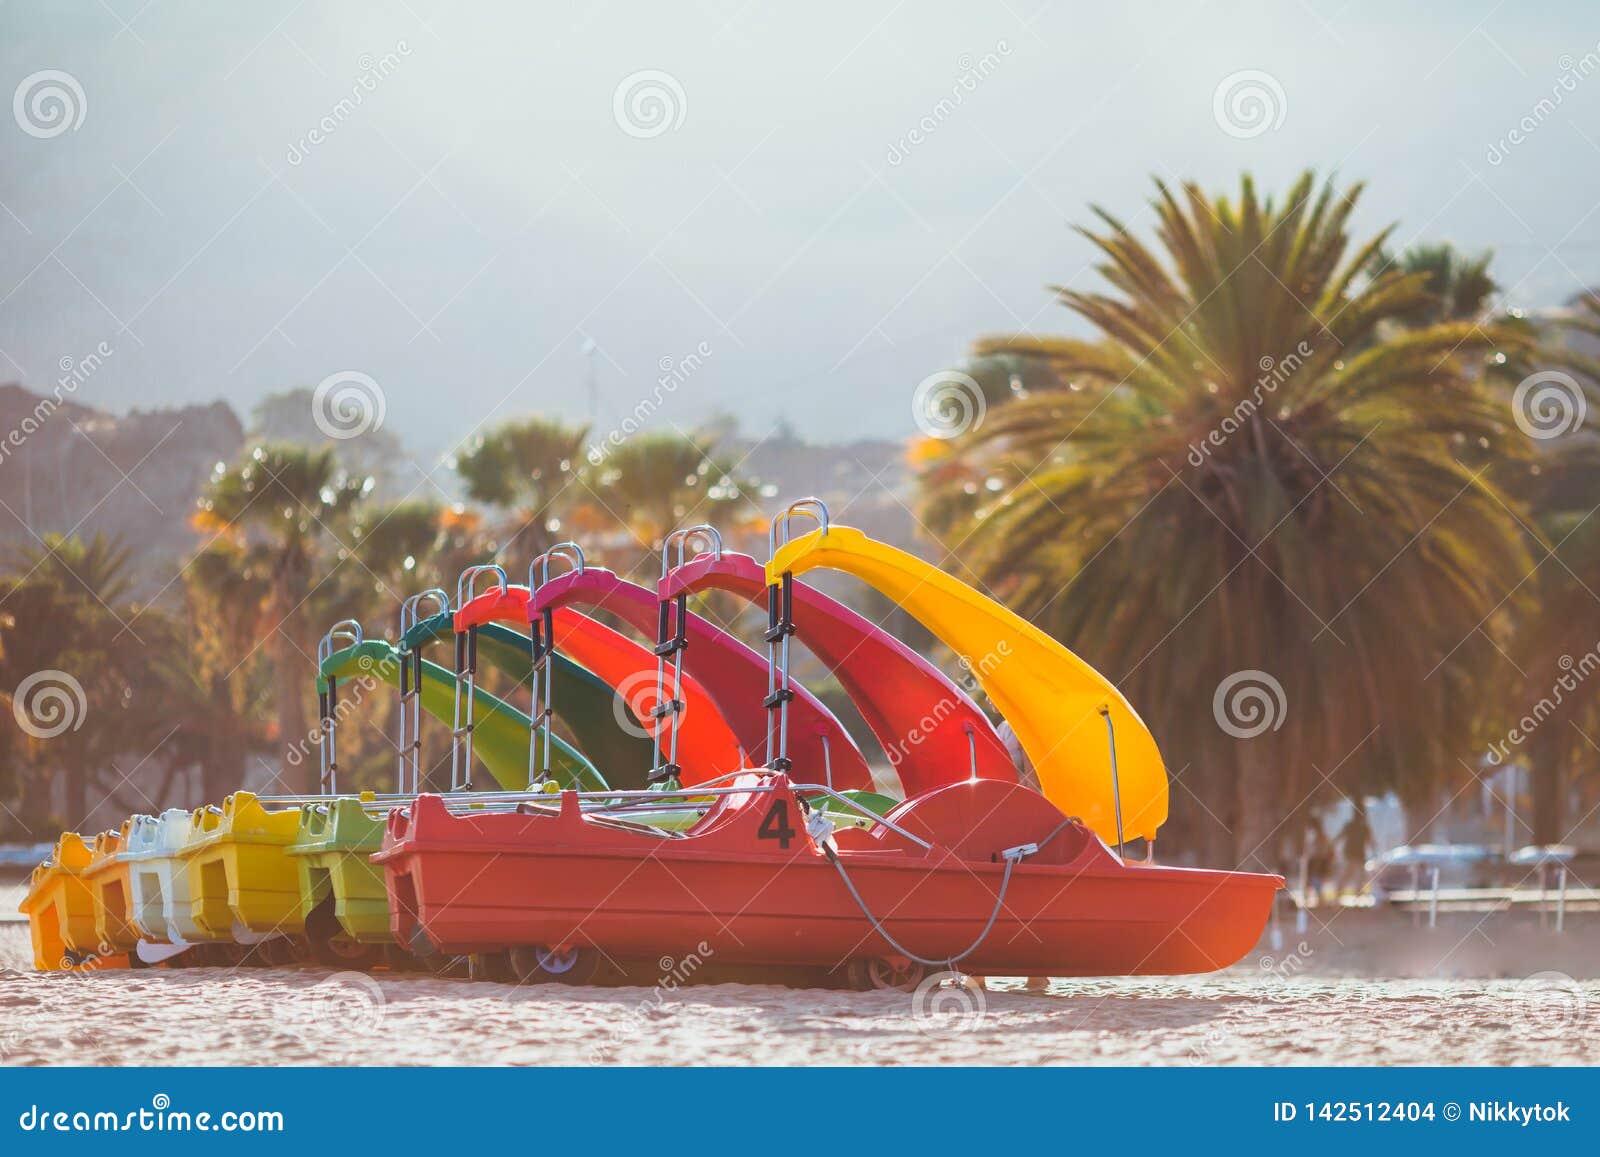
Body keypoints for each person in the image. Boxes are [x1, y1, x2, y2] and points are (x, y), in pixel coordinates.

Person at [997, 718, 1050, 993]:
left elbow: (1032, 781)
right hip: (1002, 814)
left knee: (1025, 894)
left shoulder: (1021, 724)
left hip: (1022, 818)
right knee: (999, 891)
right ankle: (978, 973)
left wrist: (1025, 820)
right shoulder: (1002, 727)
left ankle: (1036, 972)